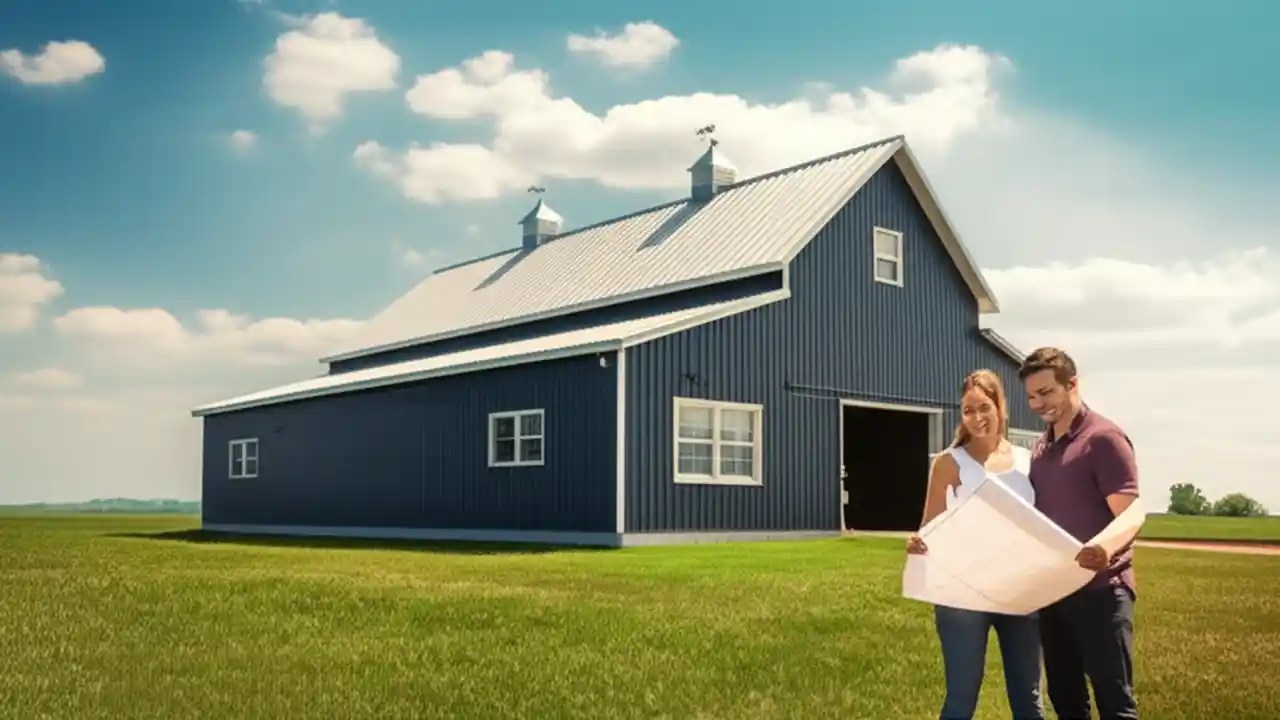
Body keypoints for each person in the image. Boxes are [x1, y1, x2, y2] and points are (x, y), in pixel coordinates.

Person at [907, 369, 1044, 720]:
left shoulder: (1030, 461)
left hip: (1021, 592)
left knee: (1028, 700)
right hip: (962, 595)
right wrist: (919, 543)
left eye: (984, 407)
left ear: (1001, 408)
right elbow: (930, 526)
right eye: (968, 410)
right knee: (961, 699)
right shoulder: (948, 463)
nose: (977, 418)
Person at [1018, 347, 1145, 720]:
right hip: (1055, 592)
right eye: (1031, 397)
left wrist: (1103, 548)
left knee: (1114, 702)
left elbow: (1133, 512)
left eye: (1046, 393)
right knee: (1066, 700)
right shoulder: (1040, 448)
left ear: (1072, 384)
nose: (1038, 404)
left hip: (1103, 591)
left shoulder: (1103, 439)